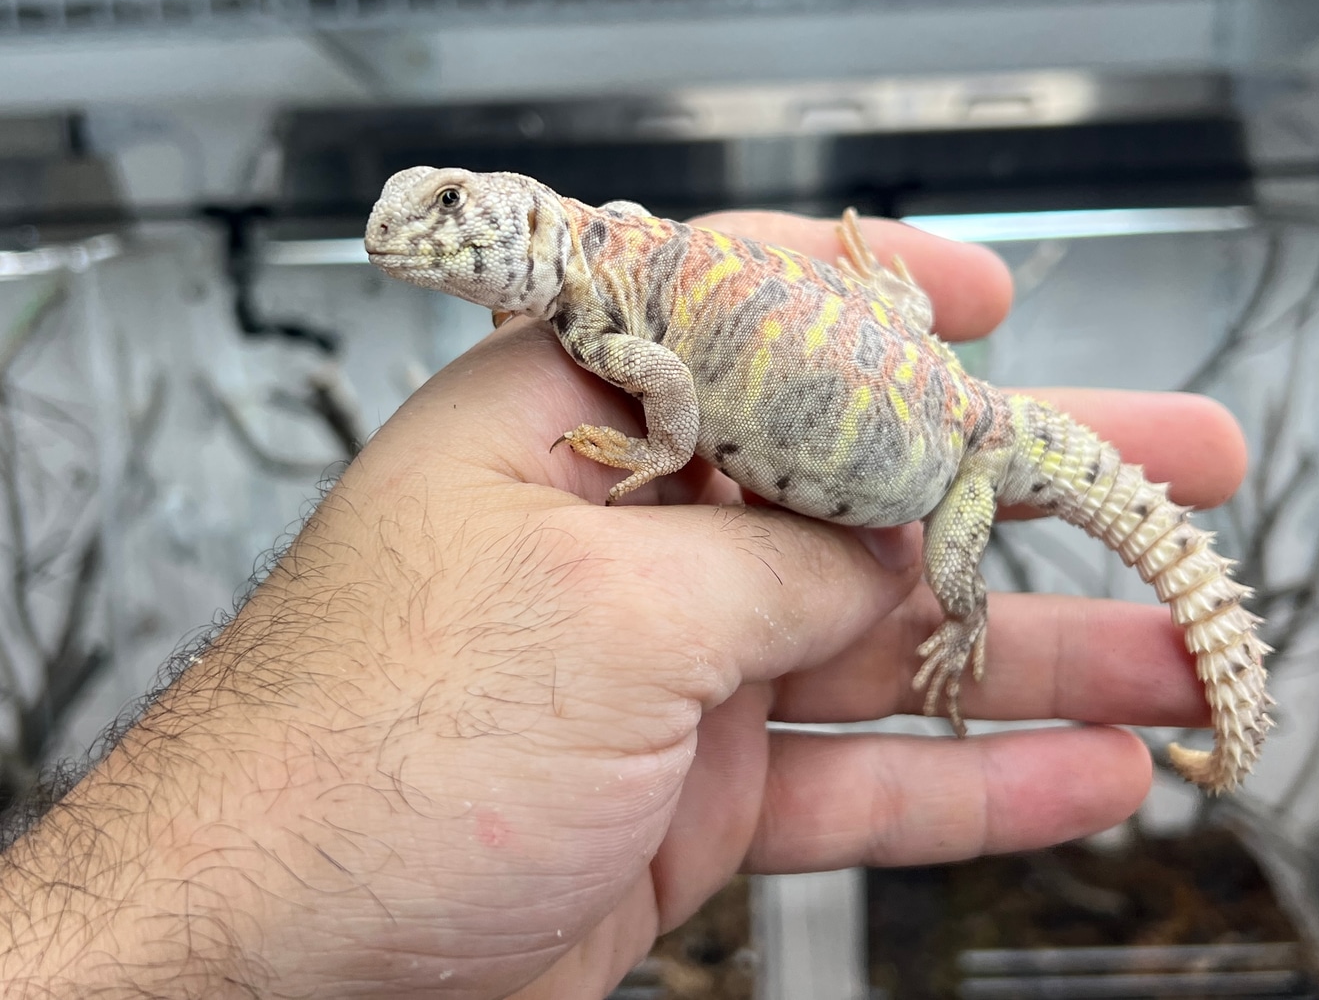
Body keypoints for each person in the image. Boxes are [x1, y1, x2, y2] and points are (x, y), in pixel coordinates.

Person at [0, 209, 1243, 998]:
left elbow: (676, 404)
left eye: (451, 221)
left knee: (950, 574)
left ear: (518, 231)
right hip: (927, 385)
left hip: (966, 444)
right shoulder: (609, 266)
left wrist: (660, 458)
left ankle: (990, 622)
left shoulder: (613, 325)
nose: (419, 243)